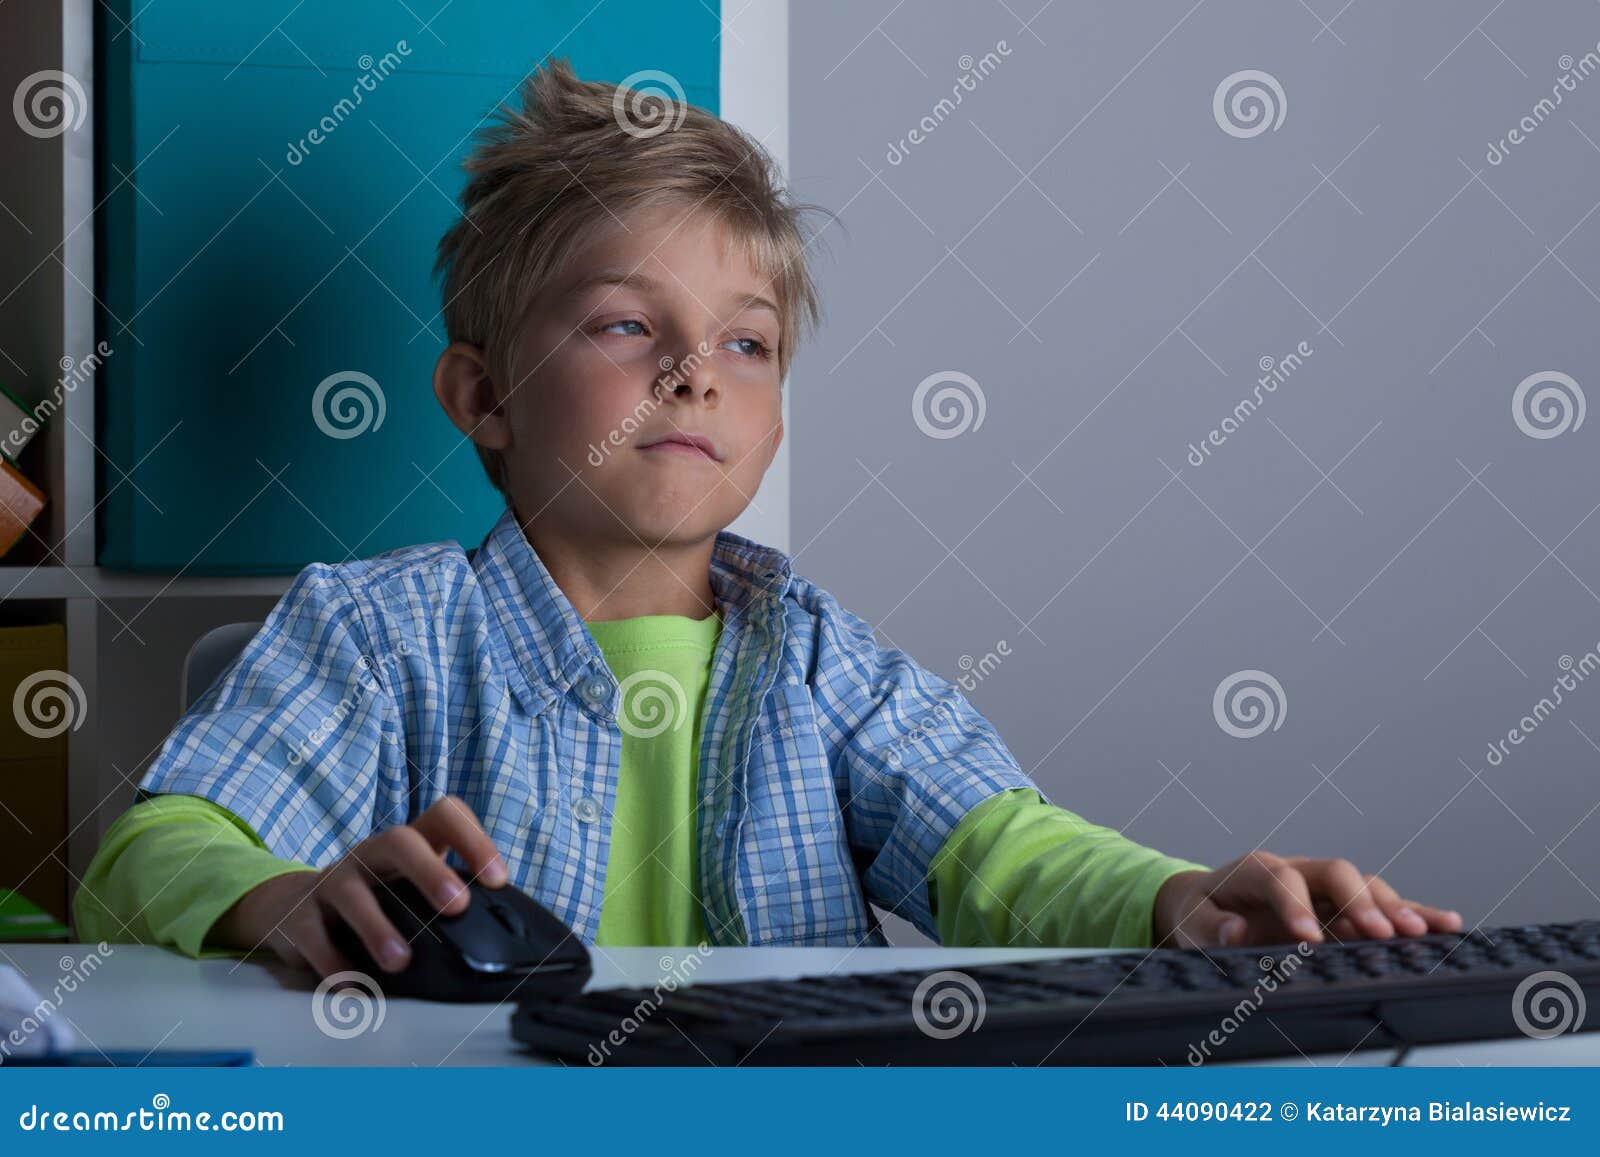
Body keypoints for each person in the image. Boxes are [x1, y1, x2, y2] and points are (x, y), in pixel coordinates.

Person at [76, 60, 1459, 978]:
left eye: (747, 345)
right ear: (483, 393)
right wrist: (283, 900)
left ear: (778, 410)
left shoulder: (818, 661)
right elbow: (155, 851)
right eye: (628, 325)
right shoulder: (377, 636)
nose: (694, 372)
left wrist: (1182, 897)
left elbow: (1001, 848)